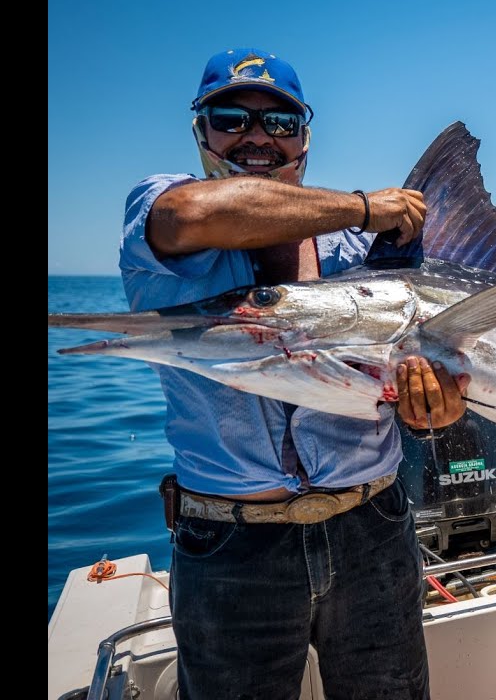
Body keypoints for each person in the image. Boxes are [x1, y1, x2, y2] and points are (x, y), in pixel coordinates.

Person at [120, 47, 466, 699]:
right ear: (200, 132)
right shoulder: (161, 210)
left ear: (305, 138)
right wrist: (364, 205)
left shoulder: (362, 258)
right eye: (231, 118)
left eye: (280, 124)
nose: (257, 137)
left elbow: (419, 392)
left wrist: (437, 410)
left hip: (374, 528)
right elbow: (195, 215)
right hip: (229, 546)